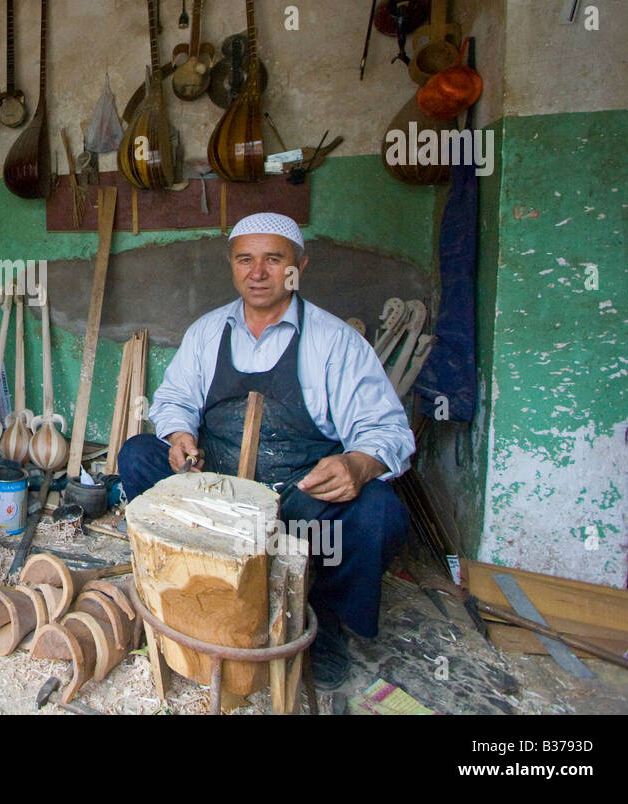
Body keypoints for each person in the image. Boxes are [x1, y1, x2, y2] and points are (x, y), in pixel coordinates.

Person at [117, 213, 414, 688]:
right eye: (245, 260)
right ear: (232, 266)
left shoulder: (336, 341)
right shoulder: (207, 332)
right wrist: (178, 436)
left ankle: (326, 620)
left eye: (273, 260)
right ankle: (186, 581)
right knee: (136, 455)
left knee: (378, 512)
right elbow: (174, 400)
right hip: (214, 492)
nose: (258, 273)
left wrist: (359, 464)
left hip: (297, 501)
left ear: (300, 265)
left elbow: (388, 430)